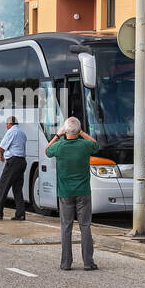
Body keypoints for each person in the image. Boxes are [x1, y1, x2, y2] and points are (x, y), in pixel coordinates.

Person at [45, 116, 99, 271]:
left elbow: (47, 150)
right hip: (83, 192)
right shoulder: (85, 145)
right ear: (78, 131)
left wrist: (57, 135)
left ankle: (66, 263)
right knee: (85, 226)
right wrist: (81, 132)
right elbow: (96, 144)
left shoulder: (59, 146)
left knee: (66, 227)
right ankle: (88, 262)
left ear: (65, 130)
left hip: (65, 193)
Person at [0, 115, 28, 221]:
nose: (6, 126)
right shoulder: (22, 133)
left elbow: (2, 147)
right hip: (22, 161)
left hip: (13, 162)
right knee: (17, 189)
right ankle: (20, 214)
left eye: (6, 124)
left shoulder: (11, 132)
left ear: (9, 124)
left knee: (2, 187)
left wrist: (0, 153)